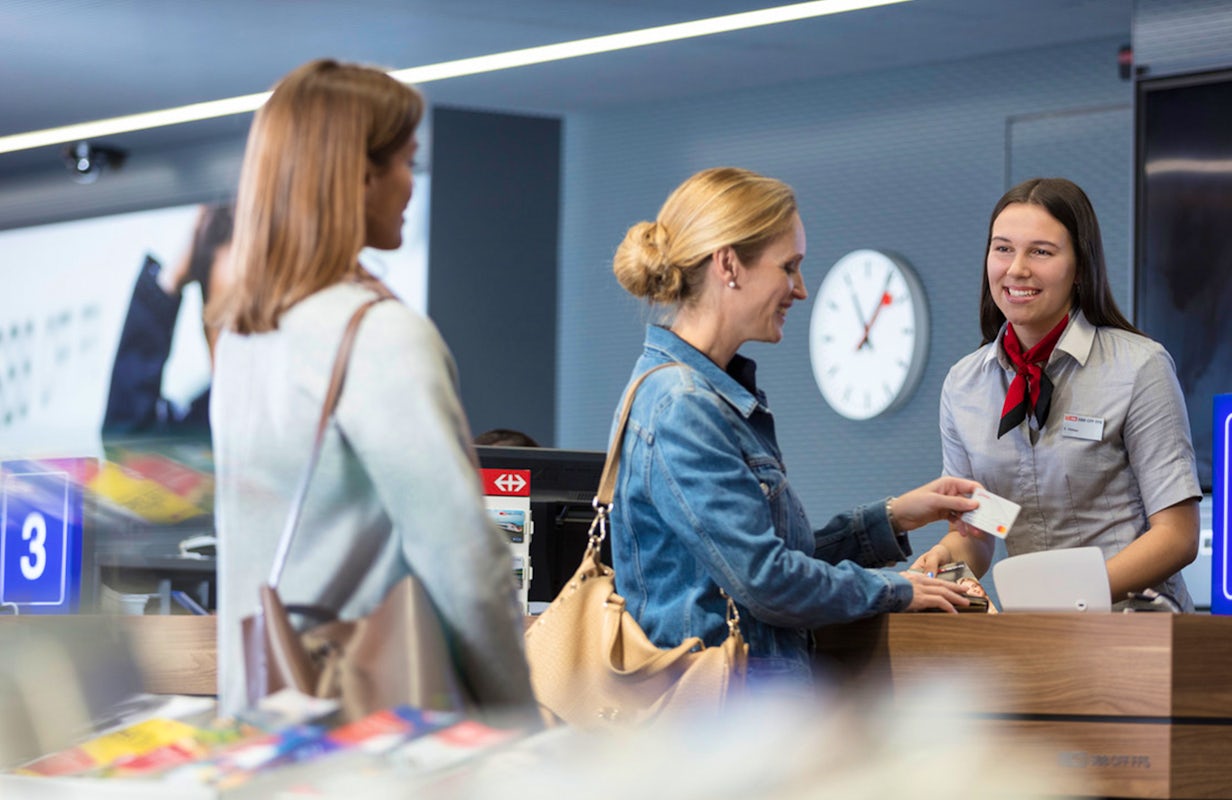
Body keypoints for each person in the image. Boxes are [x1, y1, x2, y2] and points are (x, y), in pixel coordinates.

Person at [207, 59, 534, 716]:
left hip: (266, 709)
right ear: (359, 176)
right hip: (371, 721)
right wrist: (518, 721)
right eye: (407, 162)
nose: (412, 186)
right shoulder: (379, 335)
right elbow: (466, 564)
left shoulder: (241, 337)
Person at [609, 166, 982, 694]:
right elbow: (765, 580)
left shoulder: (704, 396)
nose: (801, 290)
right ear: (728, 264)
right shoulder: (684, 405)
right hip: (718, 720)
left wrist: (894, 517)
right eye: (789, 267)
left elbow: (775, 562)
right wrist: (895, 589)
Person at [911, 177, 1201, 609]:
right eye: (1003, 248)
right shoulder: (964, 385)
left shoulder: (1140, 367)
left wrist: (1075, 596)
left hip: (1137, 624)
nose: (1016, 269)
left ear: (1080, 267)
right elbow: (982, 532)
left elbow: (1178, 536)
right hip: (1038, 630)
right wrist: (945, 557)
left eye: (1041, 252)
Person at [103, 202, 233, 436]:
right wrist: (167, 282)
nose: (242, 349)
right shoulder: (202, 421)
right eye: (225, 323)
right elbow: (125, 438)